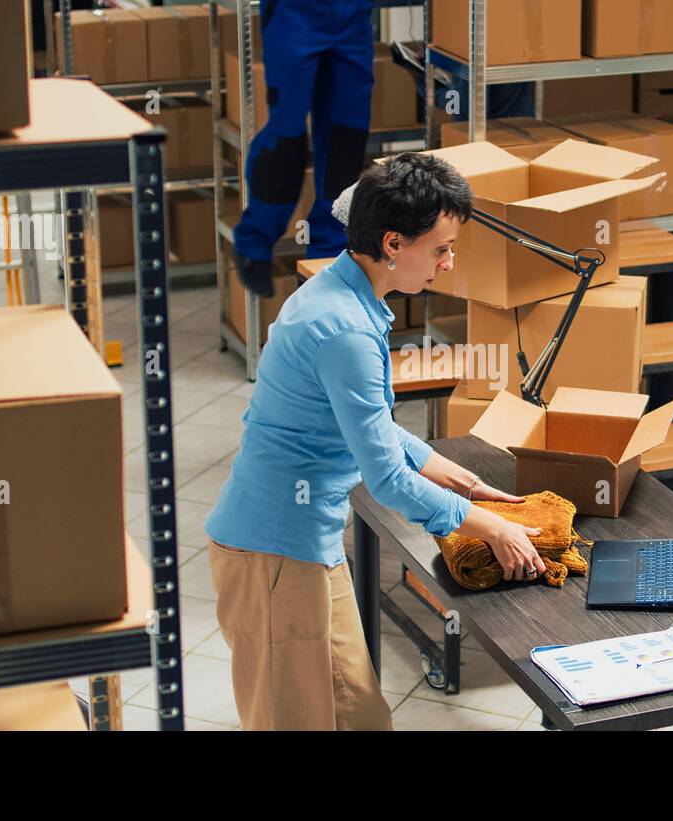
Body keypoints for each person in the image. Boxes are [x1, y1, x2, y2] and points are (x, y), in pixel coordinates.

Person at [205, 153, 547, 731]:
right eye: (440, 248)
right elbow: (386, 480)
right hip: (274, 556)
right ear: (393, 243)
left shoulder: (346, 297)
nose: (448, 261)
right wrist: (489, 527)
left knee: (361, 718)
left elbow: (370, 426)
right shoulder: (344, 329)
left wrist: (463, 480)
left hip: (302, 549)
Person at [234, 0, 376, 299]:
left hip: (352, 15)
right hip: (293, 13)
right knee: (286, 138)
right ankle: (254, 242)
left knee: (346, 142)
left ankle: (326, 257)